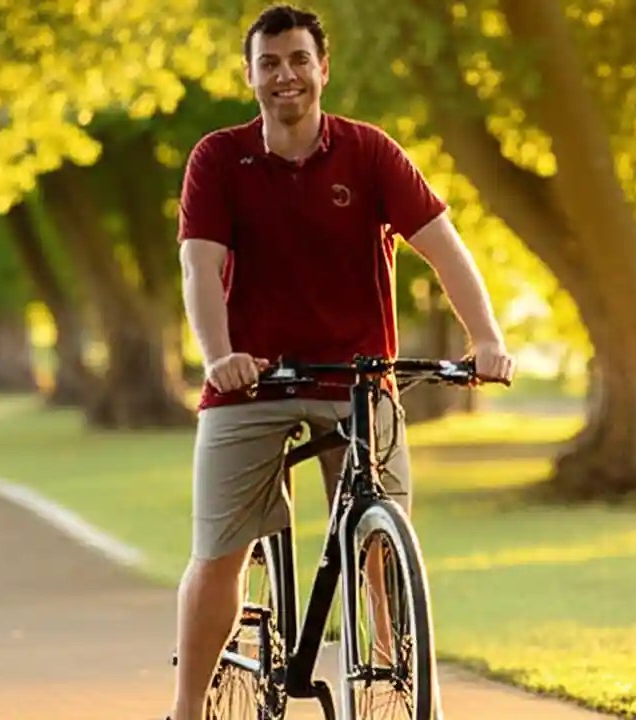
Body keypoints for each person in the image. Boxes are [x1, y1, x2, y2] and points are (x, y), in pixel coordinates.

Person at [167, 4, 515, 718]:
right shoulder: (219, 158)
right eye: (270, 63)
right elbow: (200, 269)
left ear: (323, 69)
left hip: (356, 379)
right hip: (252, 382)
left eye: (298, 60)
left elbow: (445, 247)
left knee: (382, 546)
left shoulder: (370, 152)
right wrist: (220, 356)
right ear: (250, 76)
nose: (285, 75)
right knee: (220, 551)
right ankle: (185, 709)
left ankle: (402, 691)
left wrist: (486, 337)